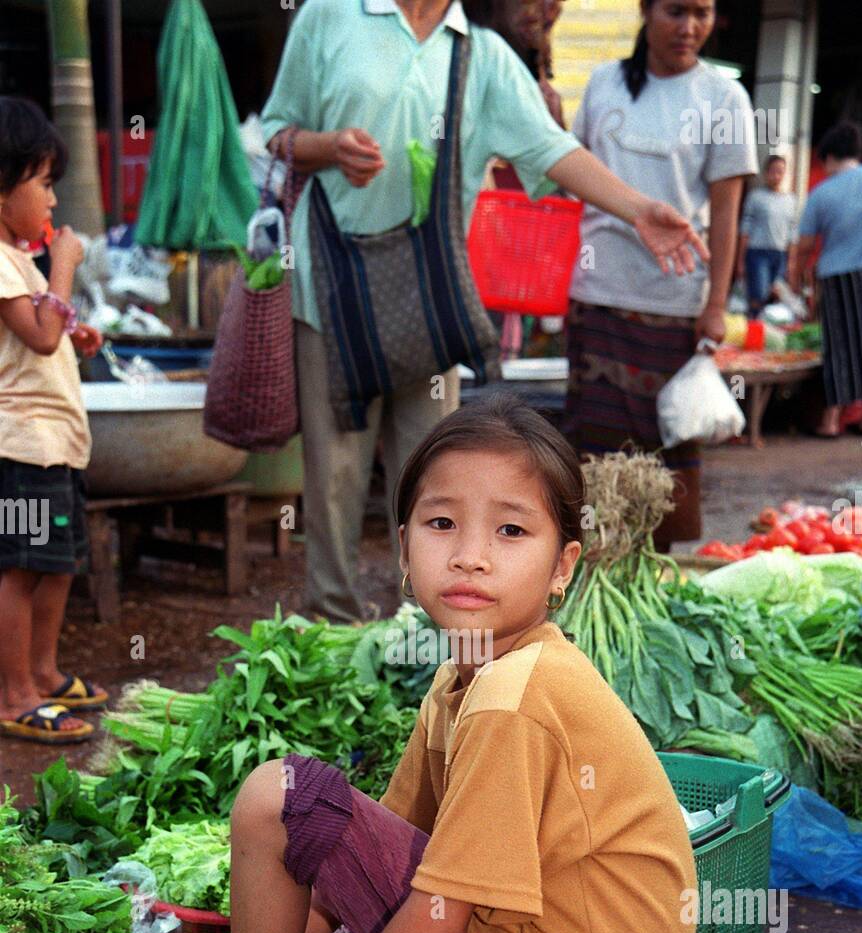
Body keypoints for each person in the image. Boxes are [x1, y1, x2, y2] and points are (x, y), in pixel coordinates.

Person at [166, 396, 697, 933]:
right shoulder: (462, 675)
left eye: (511, 531)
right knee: (277, 798)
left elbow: (435, 917)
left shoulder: (517, 695)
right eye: (442, 524)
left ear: (562, 568)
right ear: (405, 543)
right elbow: (363, 862)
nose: (472, 556)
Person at [260, 0, 707, 625]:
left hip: (430, 299)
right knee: (335, 476)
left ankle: (421, 636)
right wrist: (327, 147)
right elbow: (278, 133)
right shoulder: (329, 17)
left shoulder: (482, 54)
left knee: (436, 480)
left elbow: (552, 150)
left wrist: (638, 210)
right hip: (331, 289)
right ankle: (330, 624)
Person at [560, 0, 758, 550]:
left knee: (664, 463)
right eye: (676, 11)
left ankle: (655, 584)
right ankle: (588, 575)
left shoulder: (724, 97)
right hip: (598, 298)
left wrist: (715, 304)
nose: (690, 27)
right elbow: (574, 175)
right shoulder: (604, 84)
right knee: (592, 458)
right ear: (645, 11)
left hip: (675, 303)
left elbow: (725, 212)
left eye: (703, 13)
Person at [0, 97, 106, 745]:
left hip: (56, 444)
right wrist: (62, 267)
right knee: (19, 565)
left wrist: (76, 334)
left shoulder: (18, 261)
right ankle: (12, 694)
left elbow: (46, 334)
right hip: (20, 446)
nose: (52, 201)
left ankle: (40, 671)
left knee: (58, 563)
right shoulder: (5, 261)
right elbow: (38, 338)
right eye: (42, 183)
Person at [790, 121, 862, 439]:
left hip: (838, 279)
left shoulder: (822, 193)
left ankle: (829, 421)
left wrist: (794, 279)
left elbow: (804, 247)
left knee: (840, 347)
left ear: (828, 158)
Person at [736, 153, 798, 318]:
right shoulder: (756, 197)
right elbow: (745, 229)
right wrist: (740, 261)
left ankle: (768, 333)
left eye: (780, 171)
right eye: (773, 171)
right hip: (758, 252)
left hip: (780, 254)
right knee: (758, 293)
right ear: (765, 173)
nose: (776, 175)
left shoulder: (791, 200)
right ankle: (754, 327)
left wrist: (791, 262)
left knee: (777, 294)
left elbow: (793, 234)